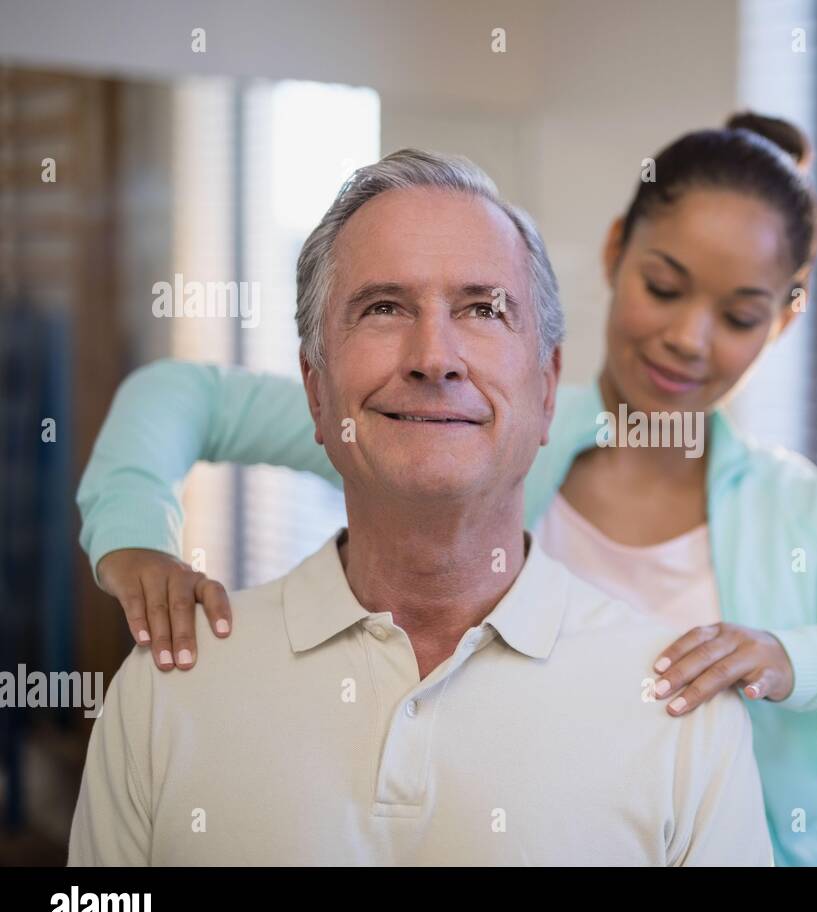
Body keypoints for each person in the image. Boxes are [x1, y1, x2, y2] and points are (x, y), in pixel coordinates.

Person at [77, 114, 817, 867]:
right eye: (664, 285)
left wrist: (804, 657)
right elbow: (185, 394)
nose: (689, 338)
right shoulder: (466, 418)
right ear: (614, 252)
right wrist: (132, 540)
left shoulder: (804, 522)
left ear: (781, 321)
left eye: (741, 313)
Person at [68, 149, 772, 866]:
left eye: (483, 309)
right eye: (383, 308)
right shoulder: (168, 689)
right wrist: (131, 540)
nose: (434, 356)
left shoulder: (685, 716)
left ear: (548, 386)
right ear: (315, 389)